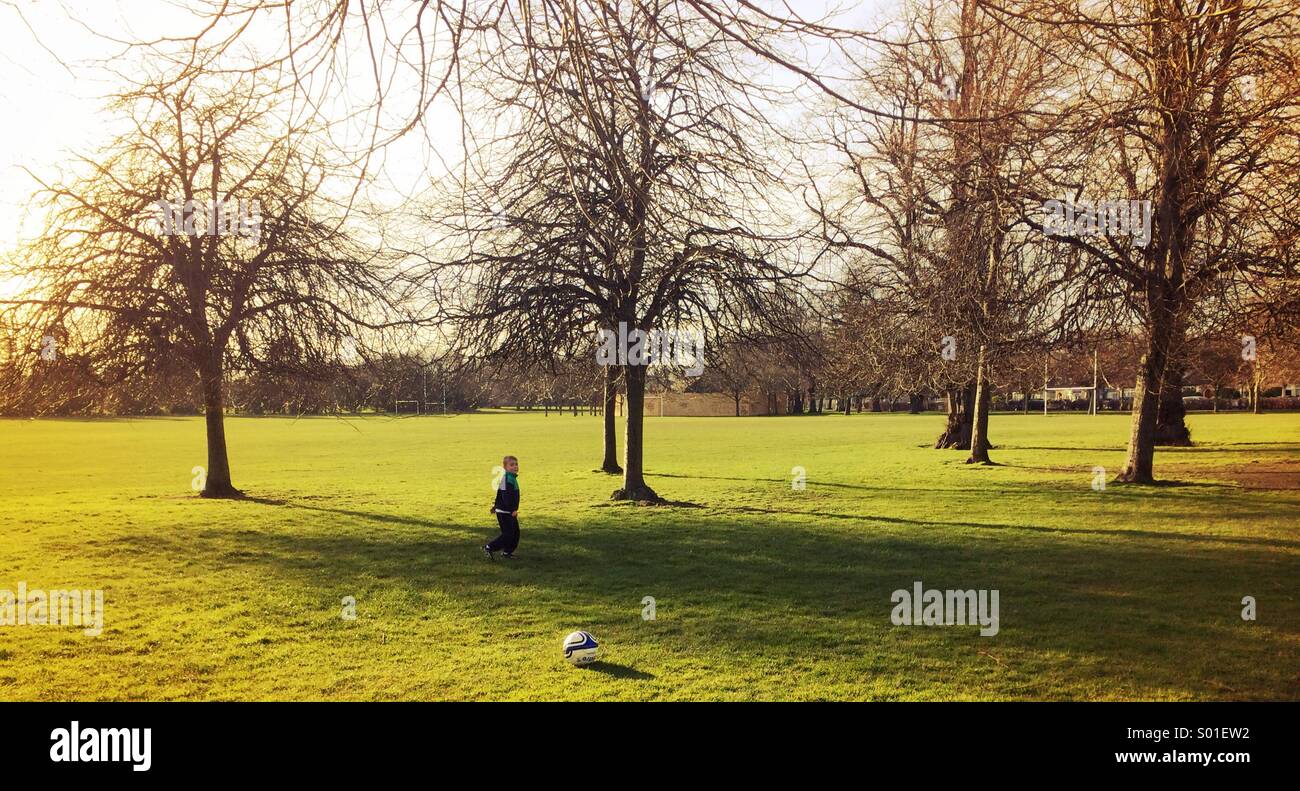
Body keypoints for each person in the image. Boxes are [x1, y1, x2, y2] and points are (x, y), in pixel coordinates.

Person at [484, 455, 520, 559]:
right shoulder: (507, 479)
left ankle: (507, 552)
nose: (515, 467)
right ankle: (489, 547)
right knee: (508, 534)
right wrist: (512, 510)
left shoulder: (510, 478)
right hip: (505, 511)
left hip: (506, 510)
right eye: (511, 465)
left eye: (516, 464)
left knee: (515, 533)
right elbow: (506, 497)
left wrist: (495, 506)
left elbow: (499, 493)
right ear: (505, 467)